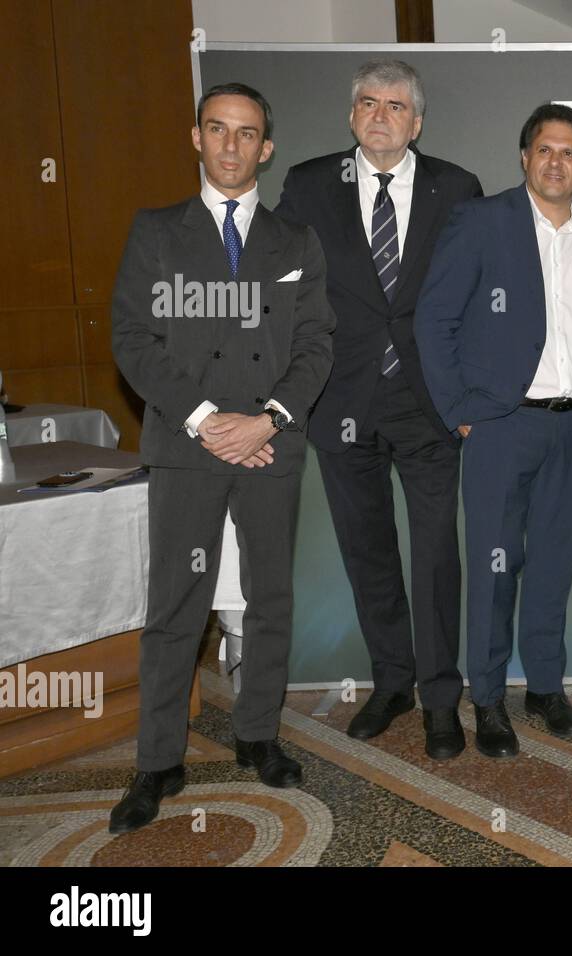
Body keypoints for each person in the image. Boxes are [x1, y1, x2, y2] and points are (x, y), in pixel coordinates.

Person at [109, 83, 333, 832]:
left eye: (247, 134)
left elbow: (316, 345)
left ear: (267, 147)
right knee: (177, 607)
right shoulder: (156, 232)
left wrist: (265, 421)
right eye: (218, 130)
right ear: (196, 138)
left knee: (270, 597)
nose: (232, 146)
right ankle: (157, 759)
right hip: (187, 442)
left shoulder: (295, 241)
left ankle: (258, 735)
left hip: (272, 443)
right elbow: (133, 340)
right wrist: (210, 421)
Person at [276, 60, 482, 759]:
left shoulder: (457, 188)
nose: (381, 115)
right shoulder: (307, 186)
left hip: (428, 405)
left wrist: (468, 394)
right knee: (367, 553)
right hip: (340, 400)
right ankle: (392, 682)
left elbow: (477, 300)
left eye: (397, 105)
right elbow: (283, 295)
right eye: (368, 102)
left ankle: (441, 697)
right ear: (352, 115)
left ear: (417, 122)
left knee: (434, 557)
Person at [415, 104, 572, 758]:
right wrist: (459, 409)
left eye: (570, 152)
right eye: (544, 149)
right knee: (495, 570)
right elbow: (433, 321)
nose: (556, 161)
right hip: (501, 427)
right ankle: (489, 697)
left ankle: (546, 689)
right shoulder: (481, 222)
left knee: (554, 565)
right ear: (525, 157)